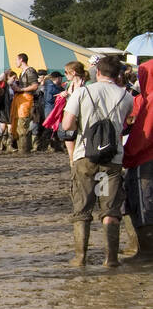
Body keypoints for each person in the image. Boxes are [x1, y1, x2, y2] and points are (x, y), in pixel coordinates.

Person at [61, 54, 134, 268]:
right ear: (118, 74)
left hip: (85, 156)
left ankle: (80, 256)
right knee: (109, 207)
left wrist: (82, 129)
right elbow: (126, 122)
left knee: (82, 207)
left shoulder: (83, 92)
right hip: (112, 159)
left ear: (98, 72)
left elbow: (67, 125)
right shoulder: (126, 96)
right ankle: (111, 258)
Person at [122, 59, 153, 263]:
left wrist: (127, 154)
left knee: (144, 203)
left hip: (146, 158)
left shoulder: (151, 100)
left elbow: (145, 134)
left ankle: (146, 252)